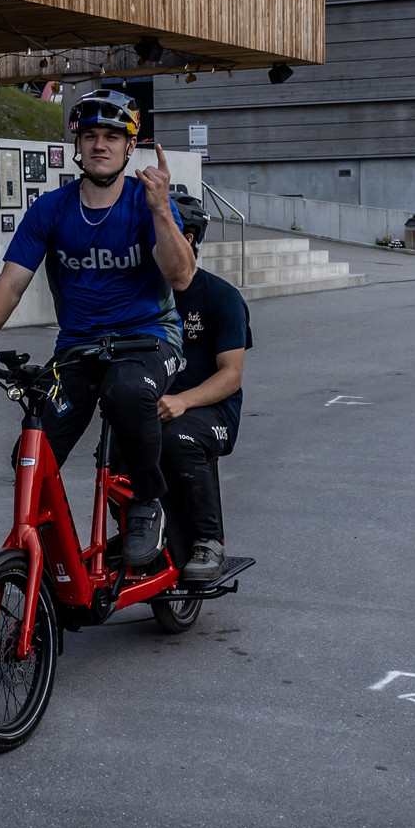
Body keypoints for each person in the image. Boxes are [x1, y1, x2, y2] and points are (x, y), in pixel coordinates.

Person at [0, 89, 196, 566]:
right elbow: (12, 282)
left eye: (113, 136)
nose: (100, 145)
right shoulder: (51, 209)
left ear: (128, 146)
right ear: (77, 145)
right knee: (32, 451)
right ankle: (52, 558)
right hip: (78, 347)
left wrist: (161, 209)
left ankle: (146, 502)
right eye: (90, 135)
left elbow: (180, 275)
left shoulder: (146, 202)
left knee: (125, 392)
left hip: (151, 340)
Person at [156, 207, 252, 583]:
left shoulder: (221, 297)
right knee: (115, 448)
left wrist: (183, 400)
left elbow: (232, 376)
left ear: (187, 238)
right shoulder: (146, 296)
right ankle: (146, 532)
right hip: (156, 407)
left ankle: (209, 542)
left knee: (177, 438)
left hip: (213, 412)